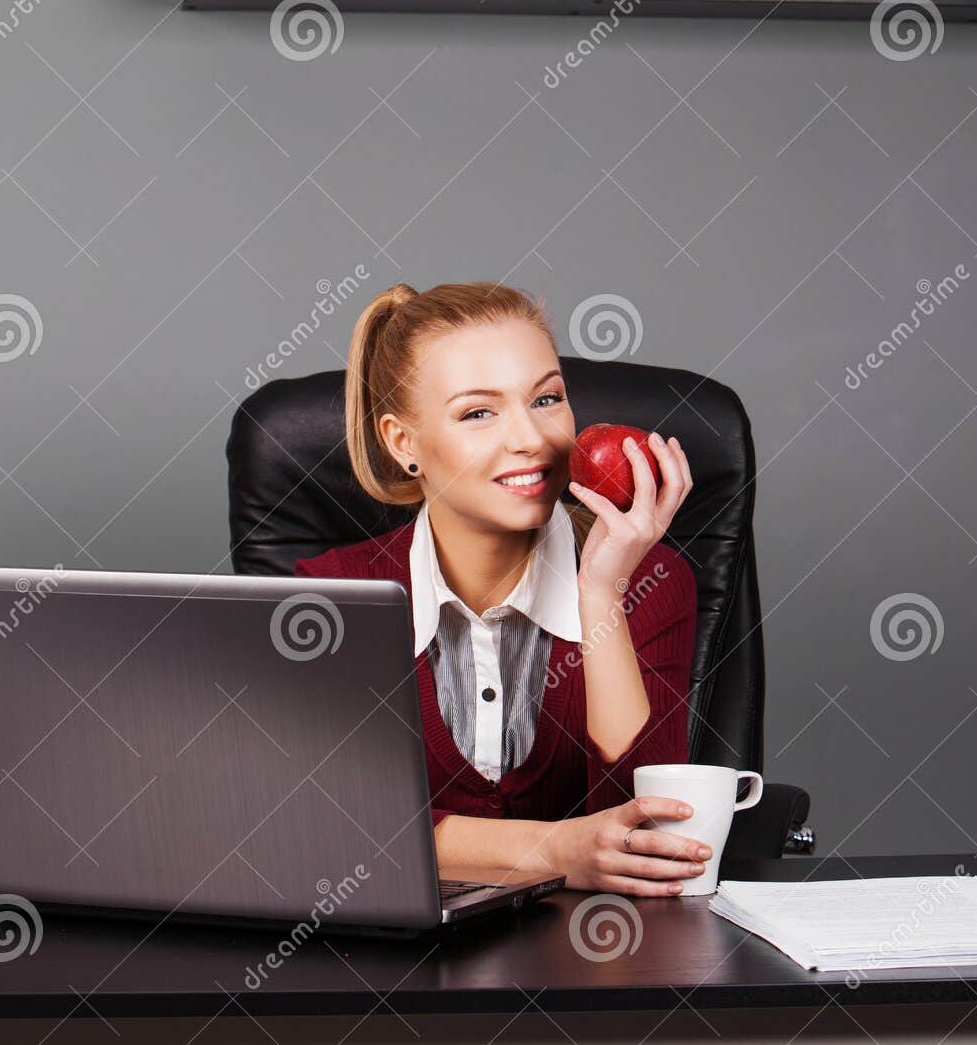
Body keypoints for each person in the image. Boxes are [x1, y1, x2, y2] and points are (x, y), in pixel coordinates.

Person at [294, 280, 711, 896]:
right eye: (478, 413)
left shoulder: (649, 583)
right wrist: (556, 850)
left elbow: (647, 837)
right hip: (392, 952)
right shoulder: (334, 598)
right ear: (403, 443)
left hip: (599, 944)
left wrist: (601, 595)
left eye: (547, 399)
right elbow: (329, 830)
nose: (532, 440)